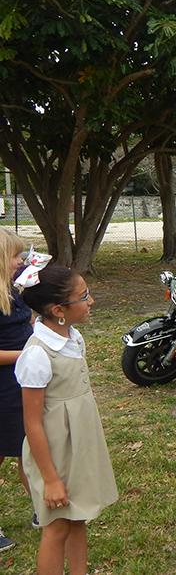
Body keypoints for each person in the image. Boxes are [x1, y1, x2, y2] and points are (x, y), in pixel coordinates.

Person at [15, 265, 117, 575]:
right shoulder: (37, 355)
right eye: (84, 296)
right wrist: (51, 479)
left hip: (78, 445)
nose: (91, 301)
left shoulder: (73, 338)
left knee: (78, 517)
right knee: (57, 527)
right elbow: (32, 422)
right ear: (59, 310)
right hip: (54, 453)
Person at [0, 230, 34, 552]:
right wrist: (27, 354)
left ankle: (42, 507)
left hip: (21, 382)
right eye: (15, 256)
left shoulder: (14, 291)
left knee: (28, 446)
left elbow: (25, 326)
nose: (21, 261)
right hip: (3, 387)